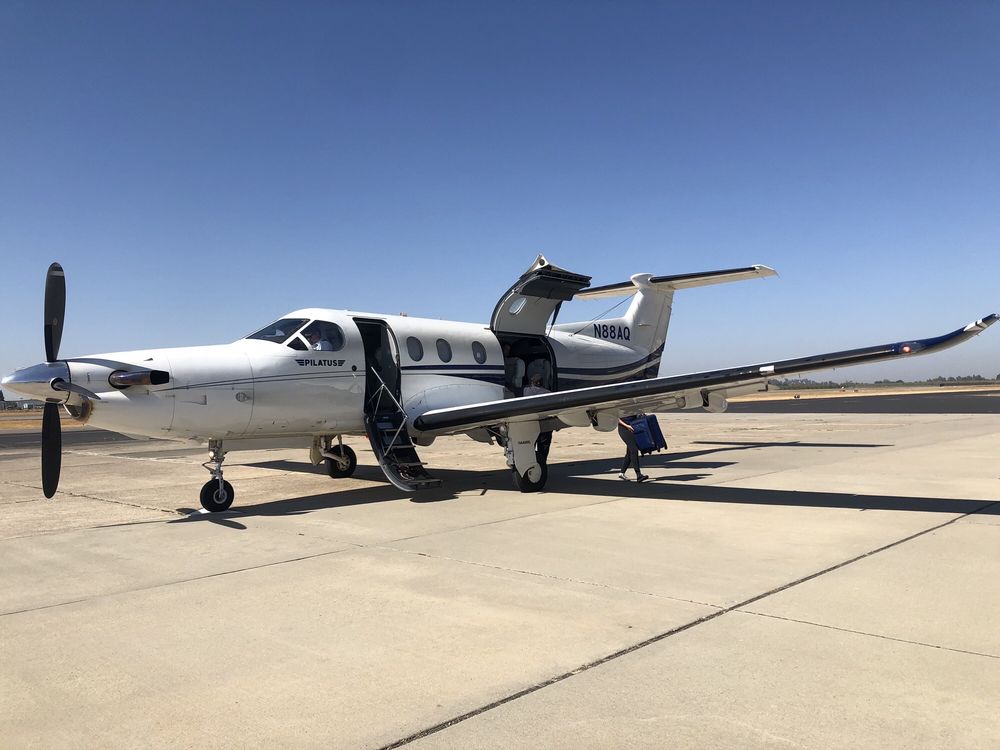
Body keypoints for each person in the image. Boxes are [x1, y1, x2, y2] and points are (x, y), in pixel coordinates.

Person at [523, 373, 552, 465]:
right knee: (544, 446)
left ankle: (529, 462)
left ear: (532, 382)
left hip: (529, 424)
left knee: (530, 445)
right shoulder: (548, 393)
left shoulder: (525, 391)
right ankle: (542, 463)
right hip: (545, 426)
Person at [617, 415, 648, 482]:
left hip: (632, 428)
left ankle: (622, 473)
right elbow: (616, 419)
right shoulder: (621, 407)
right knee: (634, 450)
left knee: (629, 453)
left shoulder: (633, 407)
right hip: (624, 429)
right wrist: (627, 426)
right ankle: (638, 475)